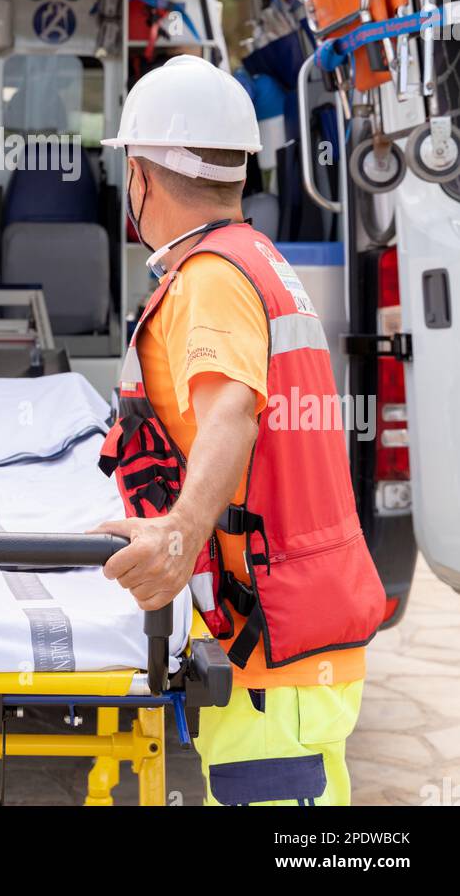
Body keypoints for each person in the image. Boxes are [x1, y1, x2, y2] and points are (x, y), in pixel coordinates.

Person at [97, 55, 385, 807]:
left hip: (273, 632)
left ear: (143, 177)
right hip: (297, 608)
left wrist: (179, 534)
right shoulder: (258, 260)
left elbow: (231, 411)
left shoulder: (211, 280)